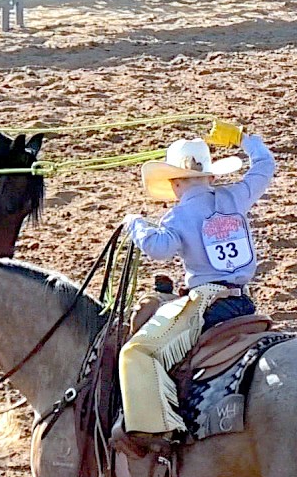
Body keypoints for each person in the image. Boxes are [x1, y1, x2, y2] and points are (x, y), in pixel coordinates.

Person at [114, 129, 275, 455]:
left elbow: (159, 249)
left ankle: (156, 431)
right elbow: (265, 164)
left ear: (175, 183)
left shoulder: (178, 215)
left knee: (136, 353)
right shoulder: (235, 197)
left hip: (206, 303)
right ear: (208, 175)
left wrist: (135, 224)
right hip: (242, 301)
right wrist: (244, 139)